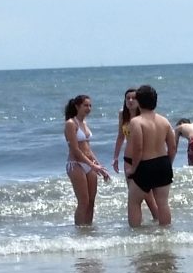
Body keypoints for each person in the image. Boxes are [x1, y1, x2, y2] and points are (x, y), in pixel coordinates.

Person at [122, 85, 175, 227]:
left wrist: (133, 169)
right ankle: (165, 234)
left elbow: (138, 148)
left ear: (139, 101)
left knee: (134, 202)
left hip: (145, 165)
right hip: (163, 163)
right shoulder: (164, 121)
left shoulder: (136, 121)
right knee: (163, 203)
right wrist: (168, 162)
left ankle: (136, 235)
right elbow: (172, 147)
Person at [62, 95, 111, 226]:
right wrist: (92, 166)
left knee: (91, 201)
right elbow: (76, 150)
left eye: (90, 105)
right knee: (83, 202)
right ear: (77, 106)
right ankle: (79, 232)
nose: (88, 108)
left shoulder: (84, 123)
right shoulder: (70, 123)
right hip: (75, 164)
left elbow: (88, 149)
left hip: (89, 164)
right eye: (85, 105)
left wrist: (99, 166)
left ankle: (88, 230)